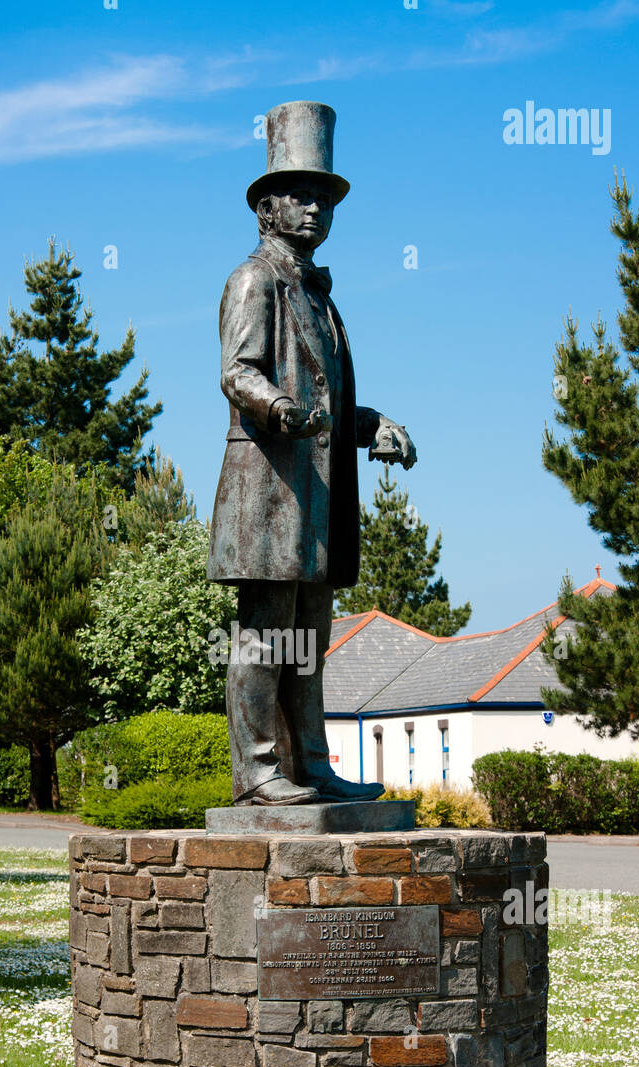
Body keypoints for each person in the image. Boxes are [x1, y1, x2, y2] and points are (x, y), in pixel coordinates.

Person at [208, 101, 416, 806]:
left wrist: (370, 423)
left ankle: (313, 766)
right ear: (265, 208)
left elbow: (323, 396)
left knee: (309, 641)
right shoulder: (253, 279)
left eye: (323, 197)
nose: (314, 209)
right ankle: (259, 772)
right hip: (267, 493)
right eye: (299, 195)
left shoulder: (321, 297)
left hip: (318, 498)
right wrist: (282, 410)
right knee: (265, 639)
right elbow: (238, 375)